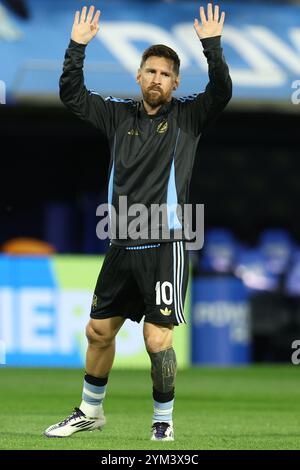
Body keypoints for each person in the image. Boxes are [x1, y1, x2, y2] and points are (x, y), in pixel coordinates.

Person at [44, 3, 232, 441]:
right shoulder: (118, 115)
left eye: (165, 74)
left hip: (165, 245)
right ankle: (90, 411)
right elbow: (72, 95)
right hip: (122, 243)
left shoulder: (188, 117)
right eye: (150, 71)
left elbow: (220, 91)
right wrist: (77, 47)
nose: (156, 80)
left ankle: (162, 420)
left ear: (175, 82)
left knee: (157, 340)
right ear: (138, 75)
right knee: (97, 331)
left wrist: (213, 47)